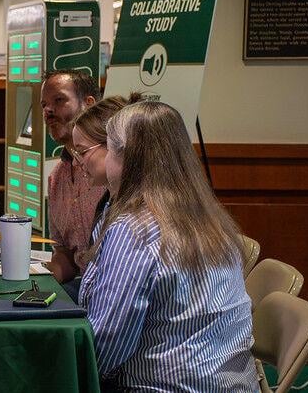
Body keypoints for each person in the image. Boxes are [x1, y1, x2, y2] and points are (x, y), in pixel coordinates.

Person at [79, 101, 256, 391]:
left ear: (129, 159)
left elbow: (106, 344)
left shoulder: (133, 229)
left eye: (109, 150)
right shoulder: (213, 219)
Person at [62, 92, 143, 301]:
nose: (78, 162)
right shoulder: (109, 202)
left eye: (82, 151)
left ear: (114, 147)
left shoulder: (130, 226)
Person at [39, 69, 104, 285]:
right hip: (84, 286)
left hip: (114, 290)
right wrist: (37, 283)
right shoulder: (57, 178)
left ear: (89, 103)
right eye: (44, 105)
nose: (48, 111)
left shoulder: (111, 172)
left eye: (59, 100)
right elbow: (66, 254)